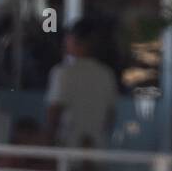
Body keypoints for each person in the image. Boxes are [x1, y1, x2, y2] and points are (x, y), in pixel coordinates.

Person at [45, 17, 118, 151]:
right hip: (97, 148)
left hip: (67, 149)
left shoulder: (63, 73)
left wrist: (49, 141)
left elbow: (54, 111)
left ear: (77, 40)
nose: (65, 42)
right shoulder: (106, 74)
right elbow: (110, 116)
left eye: (68, 38)